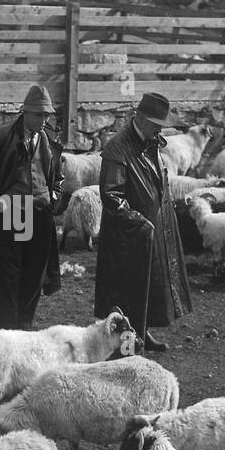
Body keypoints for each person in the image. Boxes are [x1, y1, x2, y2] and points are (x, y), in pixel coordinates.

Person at [95, 92, 192, 351]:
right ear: (139, 118)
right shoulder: (118, 148)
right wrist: (137, 221)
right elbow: (112, 196)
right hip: (126, 236)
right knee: (125, 291)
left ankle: (142, 332)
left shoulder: (151, 144)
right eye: (155, 124)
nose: (159, 130)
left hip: (149, 230)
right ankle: (125, 347)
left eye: (161, 126)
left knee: (145, 287)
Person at [0, 84, 64, 329]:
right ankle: (8, 333)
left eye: (47, 115)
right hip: (9, 216)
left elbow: (57, 175)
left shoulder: (49, 140)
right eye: (39, 114)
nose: (43, 119)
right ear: (25, 112)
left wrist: (54, 197)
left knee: (35, 275)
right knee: (8, 276)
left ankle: (25, 328)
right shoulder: (2, 136)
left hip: (40, 214)